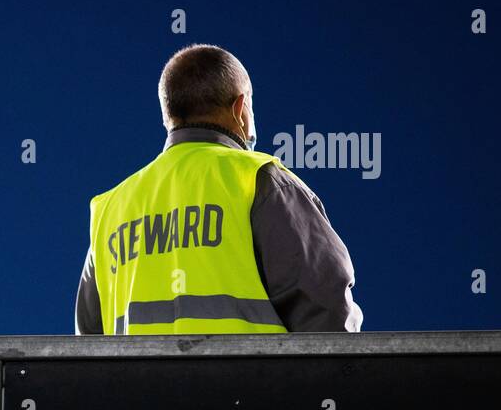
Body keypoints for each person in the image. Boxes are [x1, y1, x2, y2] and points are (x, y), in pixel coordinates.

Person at [75, 44, 363, 334]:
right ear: (240, 108)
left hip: (137, 382)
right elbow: (327, 313)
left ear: (168, 116)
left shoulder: (111, 207)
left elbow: (87, 347)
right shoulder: (262, 181)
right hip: (253, 381)